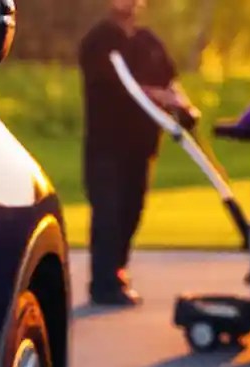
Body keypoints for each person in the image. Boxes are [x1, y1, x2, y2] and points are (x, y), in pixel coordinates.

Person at [78, 0, 197, 306]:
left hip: (141, 146)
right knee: (108, 215)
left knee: (132, 211)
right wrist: (163, 98)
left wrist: (182, 105)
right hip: (106, 146)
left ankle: (117, 272)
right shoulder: (98, 41)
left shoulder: (149, 42)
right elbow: (124, 86)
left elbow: (171, 82)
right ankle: (103, 283)